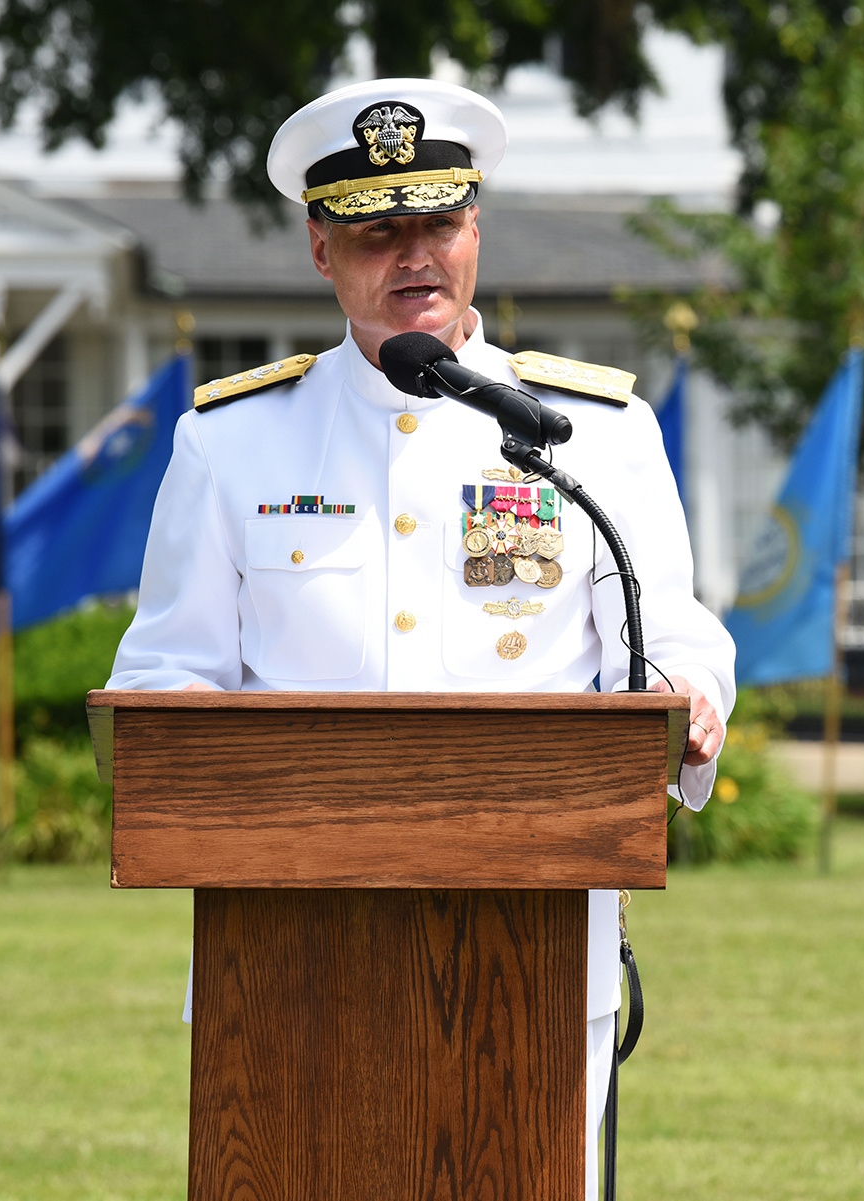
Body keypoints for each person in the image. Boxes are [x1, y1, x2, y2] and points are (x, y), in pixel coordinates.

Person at [105, 78, 735, 1194]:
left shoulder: (593, 432)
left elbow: (669, 634)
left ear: (475, 227)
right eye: (376, 232)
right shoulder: (232, 444)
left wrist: (687, 692)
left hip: (531, 957)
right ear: (319, 249)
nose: (415, 258)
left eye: (438, 223)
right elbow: (166, 677)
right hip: (285, 959)